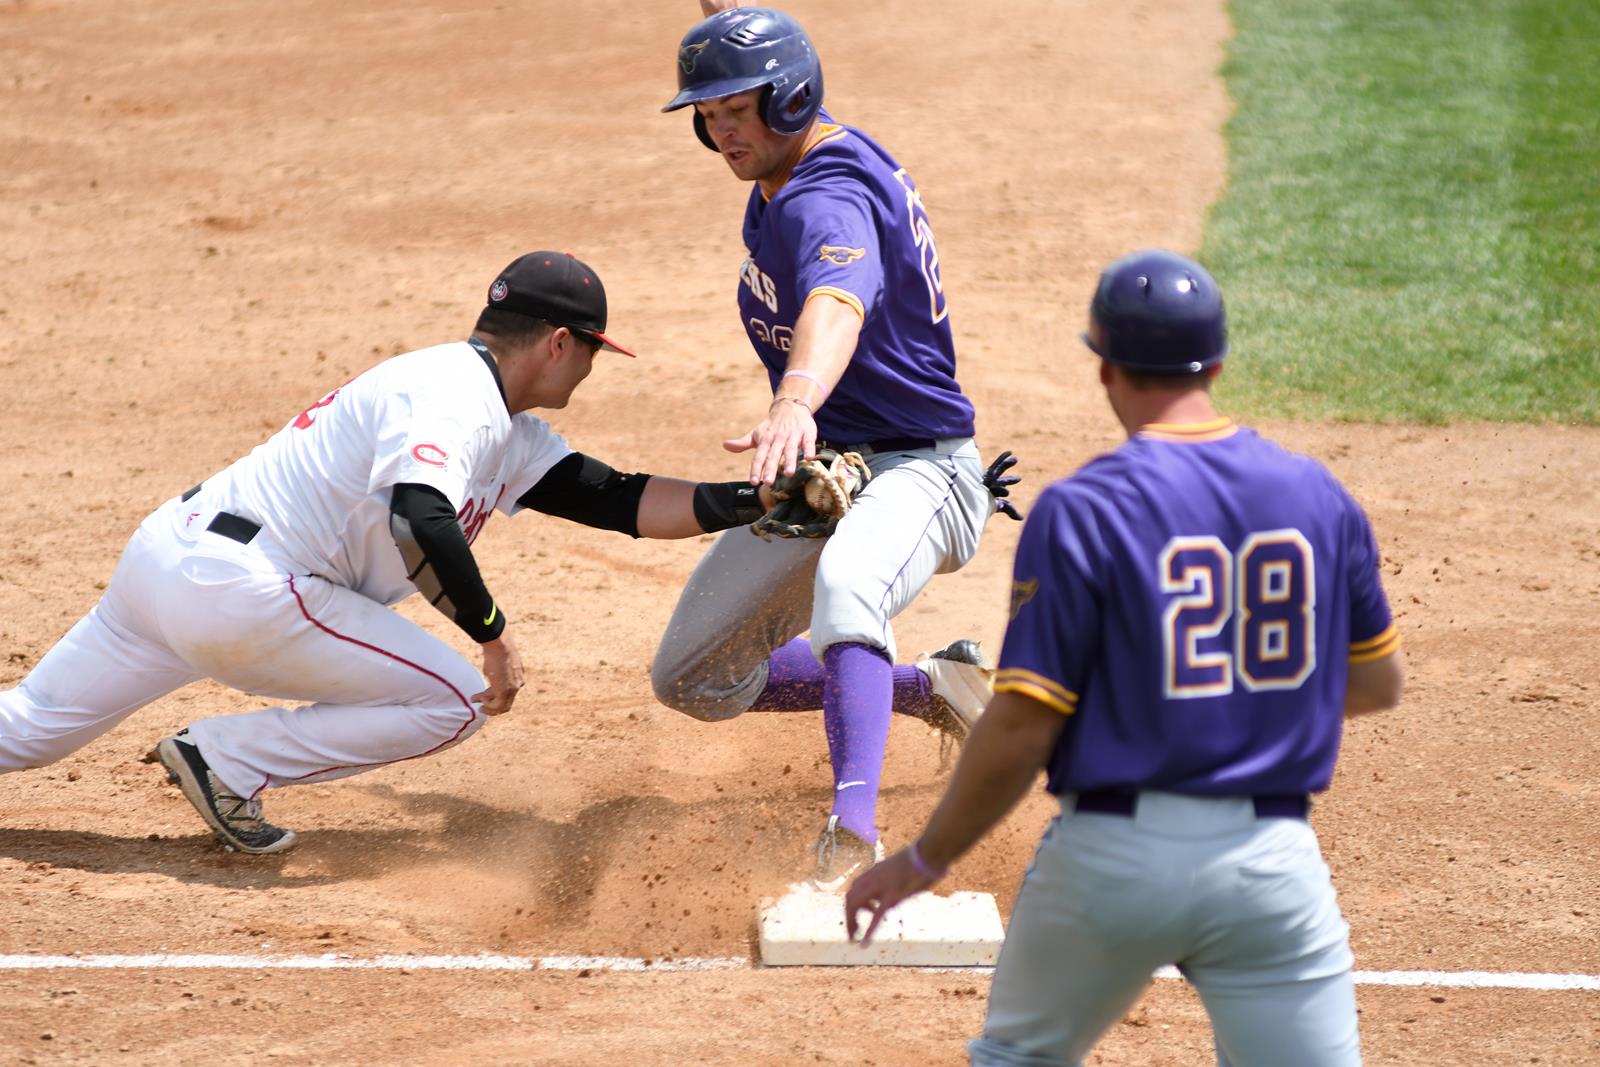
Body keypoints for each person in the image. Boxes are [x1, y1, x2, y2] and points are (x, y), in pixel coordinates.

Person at [0, 250, 786, 855]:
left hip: (167, 561)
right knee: (453, 699)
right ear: (556, 342)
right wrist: (492, 633)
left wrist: (761, 500)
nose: (590, 366)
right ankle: (226, 759)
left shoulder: (496, 417)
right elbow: (420, 519)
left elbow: (620, 500)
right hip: (247, 590)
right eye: (590, 350)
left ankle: (222, 758)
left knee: (28, 728)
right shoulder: (456, 396)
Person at [845, 249, 1406, 1066]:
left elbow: (1023, 723)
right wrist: (1247, 702)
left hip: (1110, 860)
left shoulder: (1085, 507)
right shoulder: (1318, 494)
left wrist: (925, 858)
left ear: (1105, 368)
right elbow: (1376, 681)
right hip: (1271, 865)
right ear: (1216, 362)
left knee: (1018, 1056)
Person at [651, 5, 1022, 887]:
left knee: (850, 591)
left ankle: (852, 835)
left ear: (791, 100)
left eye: (736, 111)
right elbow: (748, 34)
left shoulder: (826, 198)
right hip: (838, 472)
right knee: (691, 676)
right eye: (708, 115)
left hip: (923, 466)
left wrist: (795, 398)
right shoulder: (794, 167)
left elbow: (838, 299)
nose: (721, 130)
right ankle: (933, 688)